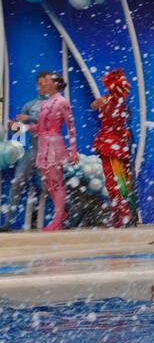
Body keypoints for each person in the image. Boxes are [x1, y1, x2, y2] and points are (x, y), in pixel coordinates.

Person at [28, 72, 78, 231]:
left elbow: (71, 127)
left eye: (48, 81)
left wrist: (73, 151)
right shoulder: (46, 103)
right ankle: (60, 213)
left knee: (56, 183)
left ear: (56, 84)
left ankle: (57, 220)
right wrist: (20, 128)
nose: (45, 84)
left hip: (54, 145)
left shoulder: (62, 102)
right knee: (48, 183)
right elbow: (40, 128)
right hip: (43, 144)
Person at [90, 67, 139, 228]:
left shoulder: (110, 100)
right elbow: (95, 105)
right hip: (117, 143)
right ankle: (121, 214)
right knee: (119, 181)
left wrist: (101, 103)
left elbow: (94, 105)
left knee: (114, 182)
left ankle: (124, 213)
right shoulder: (121, 102)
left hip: (110, 144)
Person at [1, 82, 47, 231]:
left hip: (49, 151)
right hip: (33, 151)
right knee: (16, 183)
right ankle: (8, 222)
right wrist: (13, 128)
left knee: (49, 187)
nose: (43, 86)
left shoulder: (55, 104)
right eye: (40, 83)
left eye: (46, 83)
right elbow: (19, 132)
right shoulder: (30, 104)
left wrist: (29, 118)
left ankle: (68, 214)